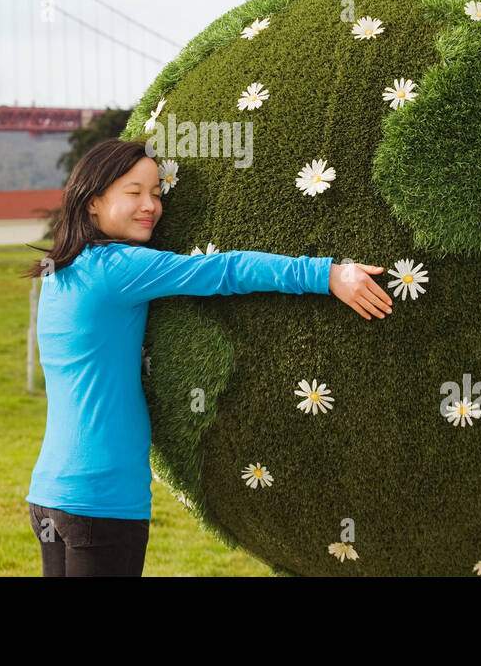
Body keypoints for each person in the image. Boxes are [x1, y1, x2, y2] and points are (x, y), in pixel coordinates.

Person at [23, 138, 393, 576]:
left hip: (49, 496)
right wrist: (328, 274)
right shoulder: (119, 267)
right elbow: (224, 271)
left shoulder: (60, 272)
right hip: (100, 500)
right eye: (133, 192)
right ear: (92, 203)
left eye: (157, 193)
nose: (150, 206)